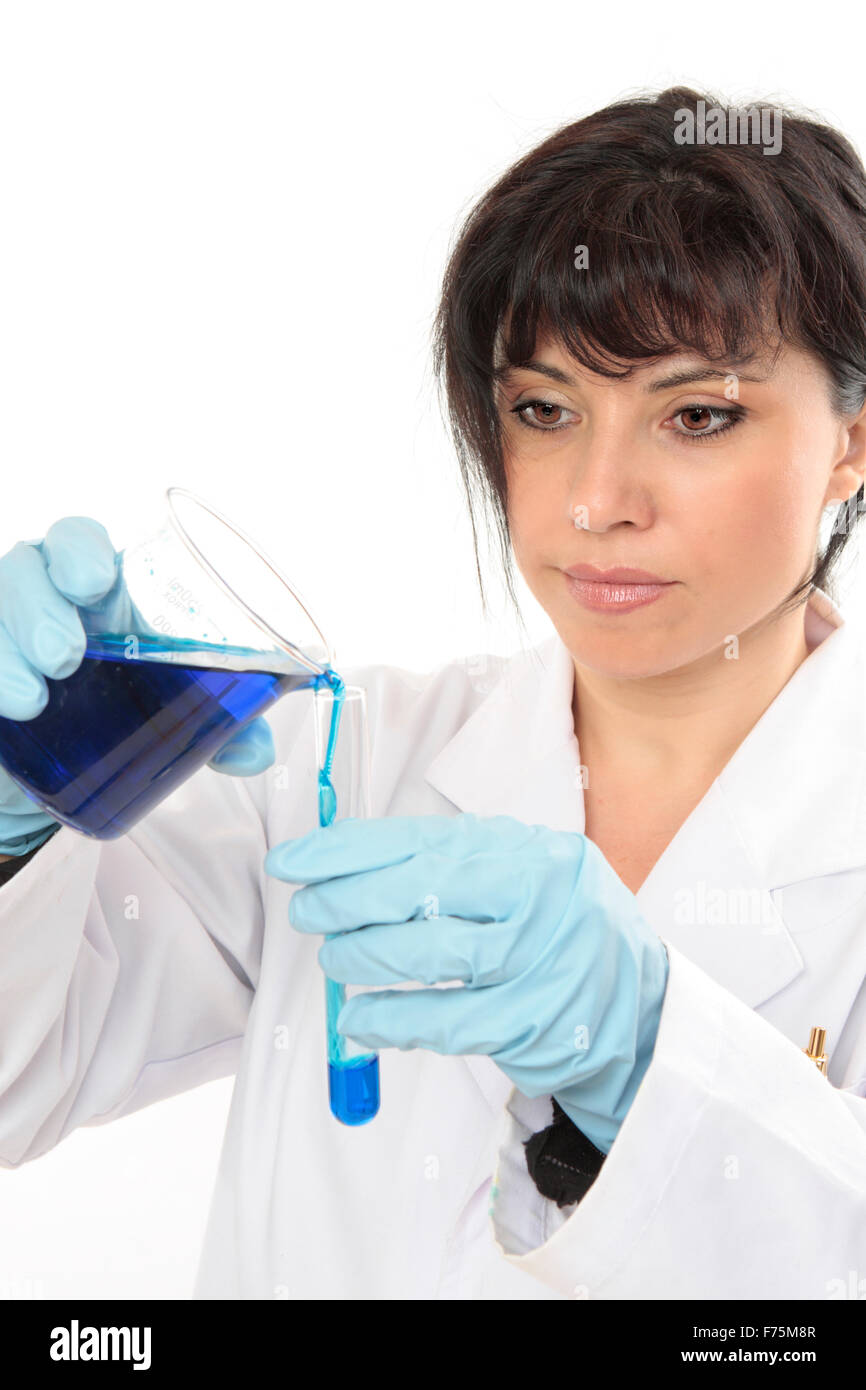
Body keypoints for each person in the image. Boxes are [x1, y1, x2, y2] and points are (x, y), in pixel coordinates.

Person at [0, 83, 865, 1300]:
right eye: (544, 409)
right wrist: (17, 809)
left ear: (848, 437)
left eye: (697, 413)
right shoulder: (336, 768)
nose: (594, 500)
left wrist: (645, 1063)